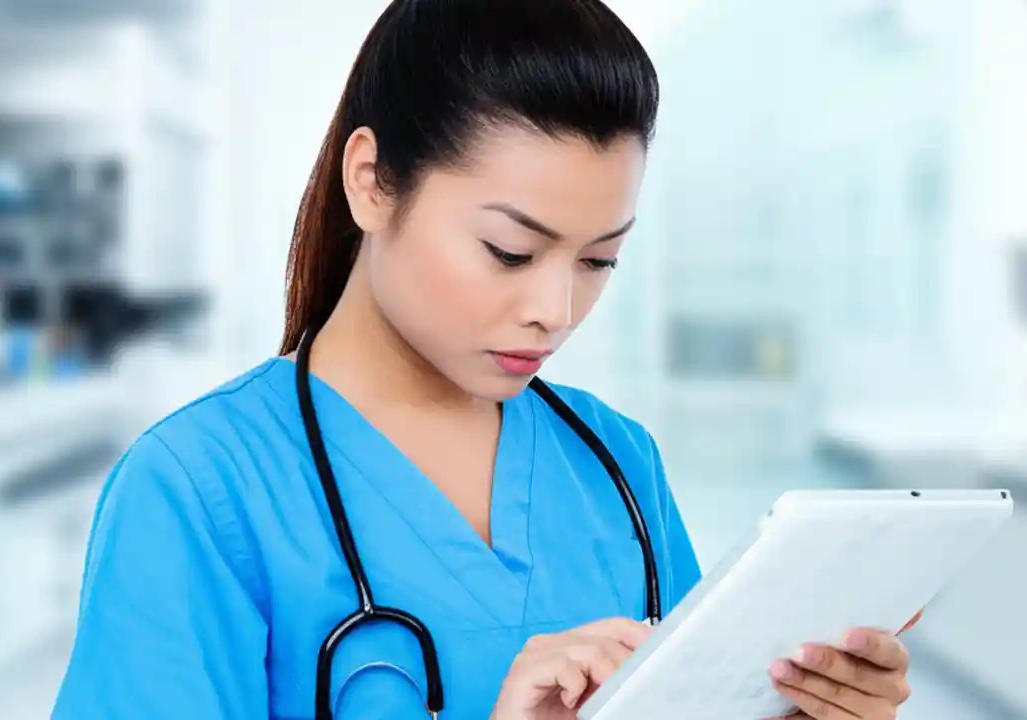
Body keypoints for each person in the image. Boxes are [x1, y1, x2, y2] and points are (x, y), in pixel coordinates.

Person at [53, 1, 917, 718]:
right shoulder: (201, 491)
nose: (557, 310)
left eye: (598, 260)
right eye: (509, 250)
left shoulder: (618, 465)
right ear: (371, 181)